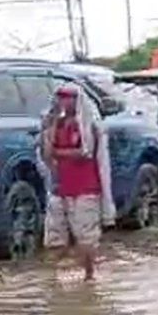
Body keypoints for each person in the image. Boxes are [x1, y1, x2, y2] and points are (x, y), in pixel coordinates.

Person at [41, 85, 113, 282]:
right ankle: (55, 280)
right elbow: (47, 155)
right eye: (61, 98)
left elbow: (84, 152)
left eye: (69, 98)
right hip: (60, 187)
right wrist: (52, 124)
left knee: (86, 236)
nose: (65, 102)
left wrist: (59, 153)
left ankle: (89, 277)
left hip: (85, 187)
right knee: (54, 237)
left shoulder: (89, 126)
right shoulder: (58, 124)